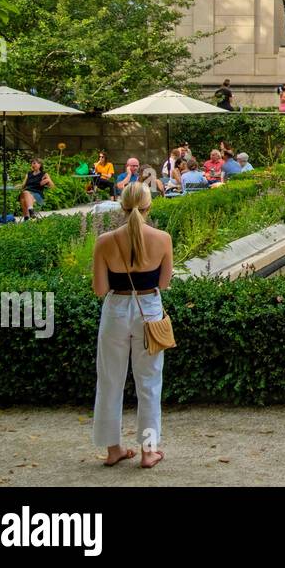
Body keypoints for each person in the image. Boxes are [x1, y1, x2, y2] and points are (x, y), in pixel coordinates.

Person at [92, 181, 173, 469]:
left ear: (121, 205)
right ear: (149, 206)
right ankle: (148, 451)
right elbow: (163, 283)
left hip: (115, 311)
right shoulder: (163, 238)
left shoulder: (105, 241)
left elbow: (100, 289)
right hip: (148, 309)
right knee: (150, 382)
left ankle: (114, 448)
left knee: (110, 379)